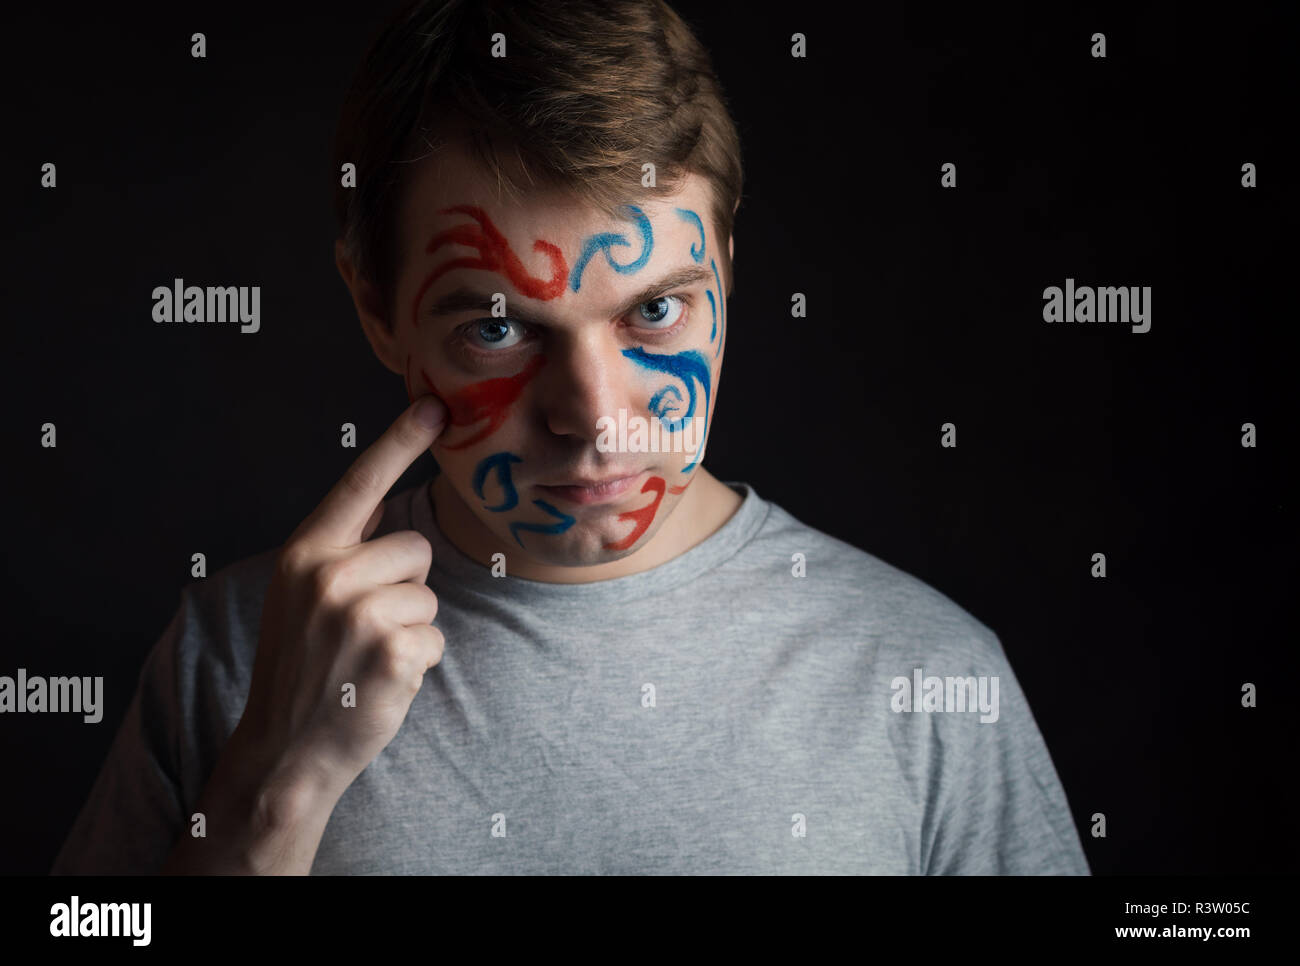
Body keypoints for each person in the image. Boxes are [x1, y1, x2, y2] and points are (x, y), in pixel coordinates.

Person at [51, 0, 1090, 875]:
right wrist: (265, 802)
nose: (596, 419)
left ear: (725, 269)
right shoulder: (237, 656)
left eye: (655, 312)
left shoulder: (929, 674)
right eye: (497, 327)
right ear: (377, 308)